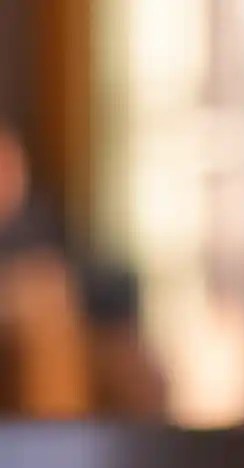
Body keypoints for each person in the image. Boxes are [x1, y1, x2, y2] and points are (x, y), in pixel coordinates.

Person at [0, 121, 164, 416]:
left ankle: (150, 454)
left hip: (77, 326)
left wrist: (58, 284)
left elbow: (87, 273)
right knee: (44, 331)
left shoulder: (39, 222)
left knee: (133, 367)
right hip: (24, 338)